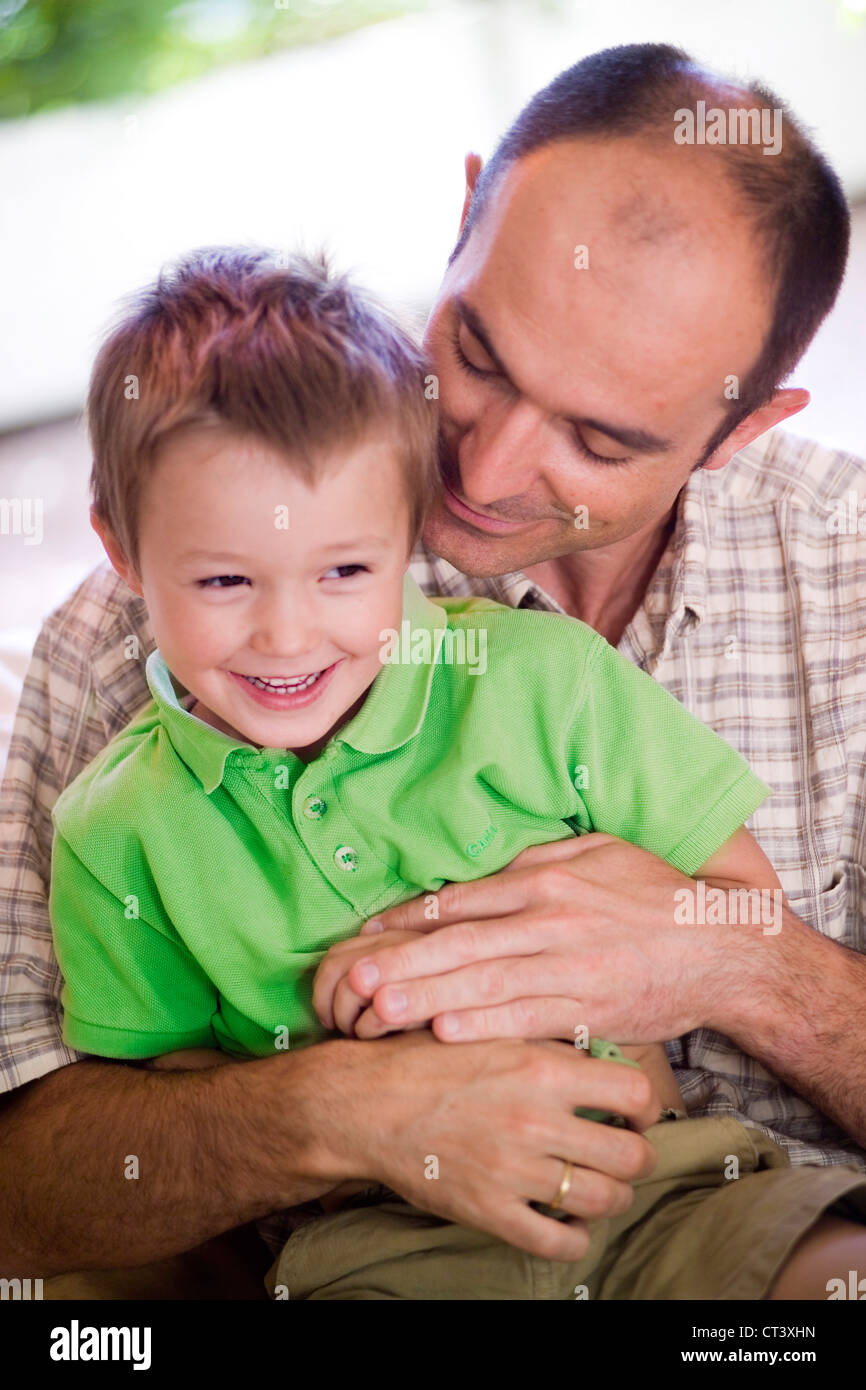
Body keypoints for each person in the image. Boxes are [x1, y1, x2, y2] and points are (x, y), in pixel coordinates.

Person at [2, 42, 866, 1300]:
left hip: (721, 1226)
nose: (488, 465)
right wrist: (333, 1108)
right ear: (466, 213)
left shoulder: (843, 583)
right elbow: (31, 1204)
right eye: (479, 354)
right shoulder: (150, 615)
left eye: (598, 437)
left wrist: (741, 962)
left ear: (740, 428)